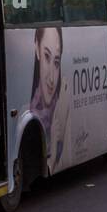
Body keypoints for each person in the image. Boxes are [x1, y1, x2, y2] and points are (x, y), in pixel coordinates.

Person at [30, 25, 70, 173]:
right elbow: (52, 164)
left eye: (56, 63)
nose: (52, 79)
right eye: (47, 57)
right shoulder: (30, 110)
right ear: (37, 48)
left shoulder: (63, 102)